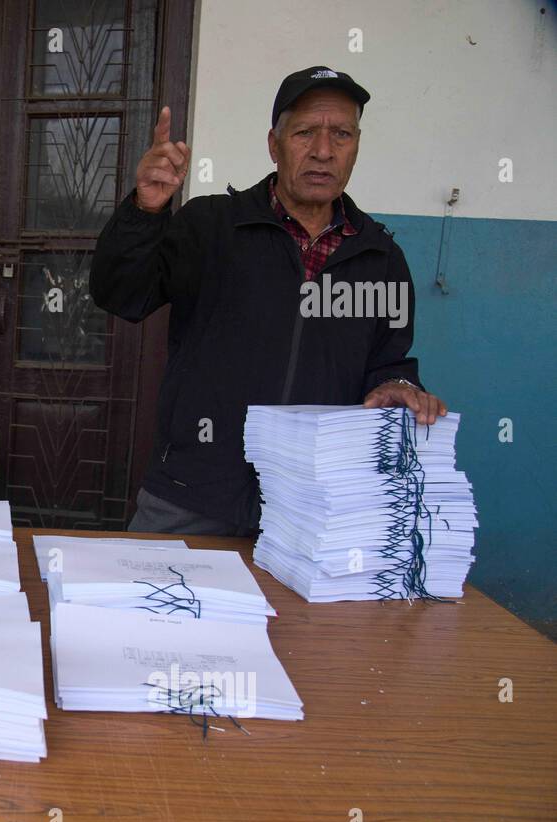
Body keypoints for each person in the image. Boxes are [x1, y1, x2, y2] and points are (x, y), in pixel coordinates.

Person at [90, 66, 448, 537]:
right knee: (154, 607)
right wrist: (145, 209)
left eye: (341, 133)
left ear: (356, 147)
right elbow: (122, 295)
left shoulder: (379, 256)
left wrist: (398, 385)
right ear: (274, 144)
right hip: (191, 493)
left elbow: (388, 361)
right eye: (304, 132)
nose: (323, 150)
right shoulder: (211, 226)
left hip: (312, 508)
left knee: (308, 616)